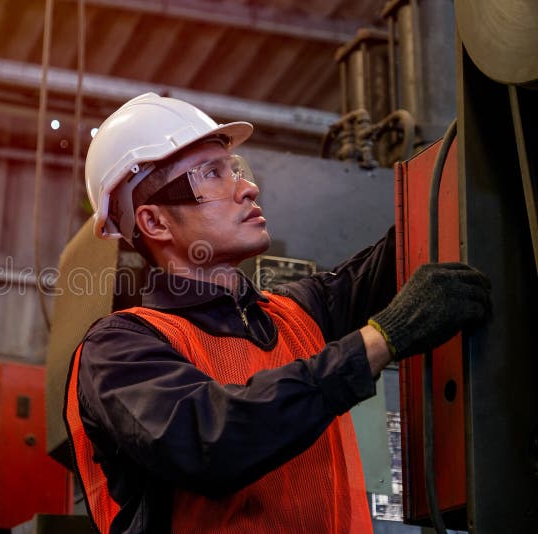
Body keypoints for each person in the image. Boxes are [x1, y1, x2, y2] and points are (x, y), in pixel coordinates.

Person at [63, 93, 491, 534]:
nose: (248, 187)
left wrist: (484, 129)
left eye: (236, 169)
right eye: (212, 174)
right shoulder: (117, 349)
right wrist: (381, 339)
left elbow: (408, 242)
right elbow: (210, 439)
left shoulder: (297, 312)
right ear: (155, 223)